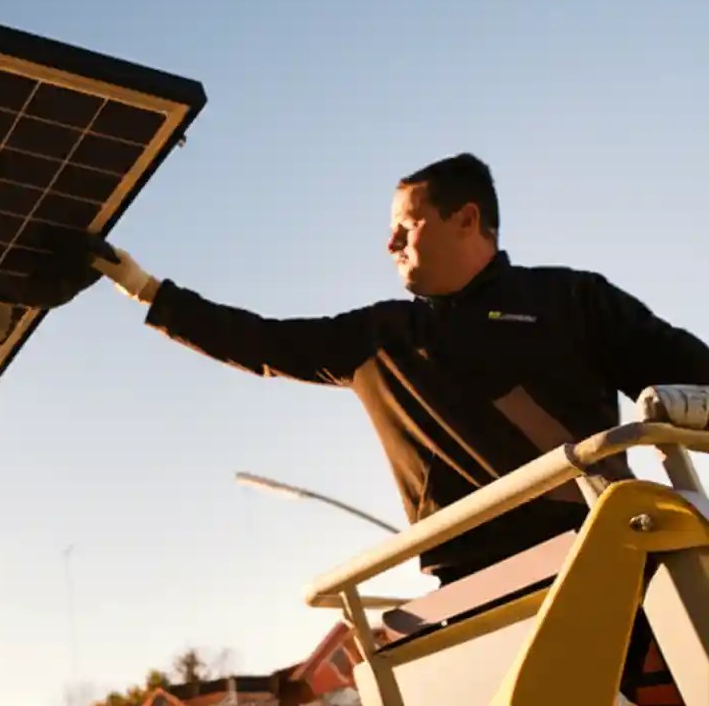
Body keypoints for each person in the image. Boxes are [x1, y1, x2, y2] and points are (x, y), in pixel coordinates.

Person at [82, 153, 709, 702]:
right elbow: (263, 340)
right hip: (470, 599)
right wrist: (144, 290)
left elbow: (695, 375)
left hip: (611, 562)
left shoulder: (573, 300)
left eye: (406, 226)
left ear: (466, 219)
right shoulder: (380, 339)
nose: (390, 246)